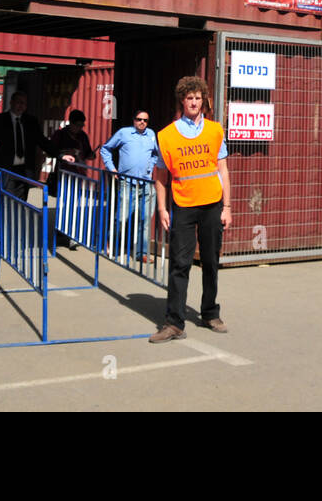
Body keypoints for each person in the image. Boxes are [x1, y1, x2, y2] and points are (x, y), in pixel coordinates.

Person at [149, 77, 232, 342]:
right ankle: (174, 323)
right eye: (189, 98)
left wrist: (227, 207)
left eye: (197, 97)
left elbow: (223, 170)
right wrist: (162, 208)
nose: (194, 102)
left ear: (203, 100)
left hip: (211, 205)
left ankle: (210, 312)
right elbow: (160, 176)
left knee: (210, 261)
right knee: (180, 264)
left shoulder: (215, 130)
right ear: (182, 102)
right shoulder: (166, 135)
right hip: (182, 206)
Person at [99, 109, 160, 257]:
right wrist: (112, 168)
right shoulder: (124, 133)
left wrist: (150, 168)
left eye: (145, 120)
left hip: (145, 183)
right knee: (121, 217)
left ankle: (142, 253)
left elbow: (155, 154)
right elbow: (105, 149)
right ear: (134, 120)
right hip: (127, 182)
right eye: (139, 119)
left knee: (145, 220)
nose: (142, 123)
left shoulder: (151, 135)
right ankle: (110, 244)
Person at [0, 91, 51, 202]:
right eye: (18, 102)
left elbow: (42, 141)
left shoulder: (31, 121)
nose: (21, 106)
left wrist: (60, 155)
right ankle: (4, 219)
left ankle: (16, 219)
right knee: (6, 200)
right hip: (6, 168)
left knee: (21, 201)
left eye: (24, 104)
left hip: (24, 169)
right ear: (11, 102)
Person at [48, 109, 96, 250]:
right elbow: (51, 151)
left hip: (78, 174)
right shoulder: (60, 134)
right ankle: (62, 231)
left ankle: (70, 233)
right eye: (78, 125)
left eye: (82, 125)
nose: (80, 128)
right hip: (63, 174)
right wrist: (65, 153)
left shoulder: (83, 136)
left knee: (73, 205)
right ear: (71, 123)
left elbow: (88, 153)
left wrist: (91, 155)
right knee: (64, 203)